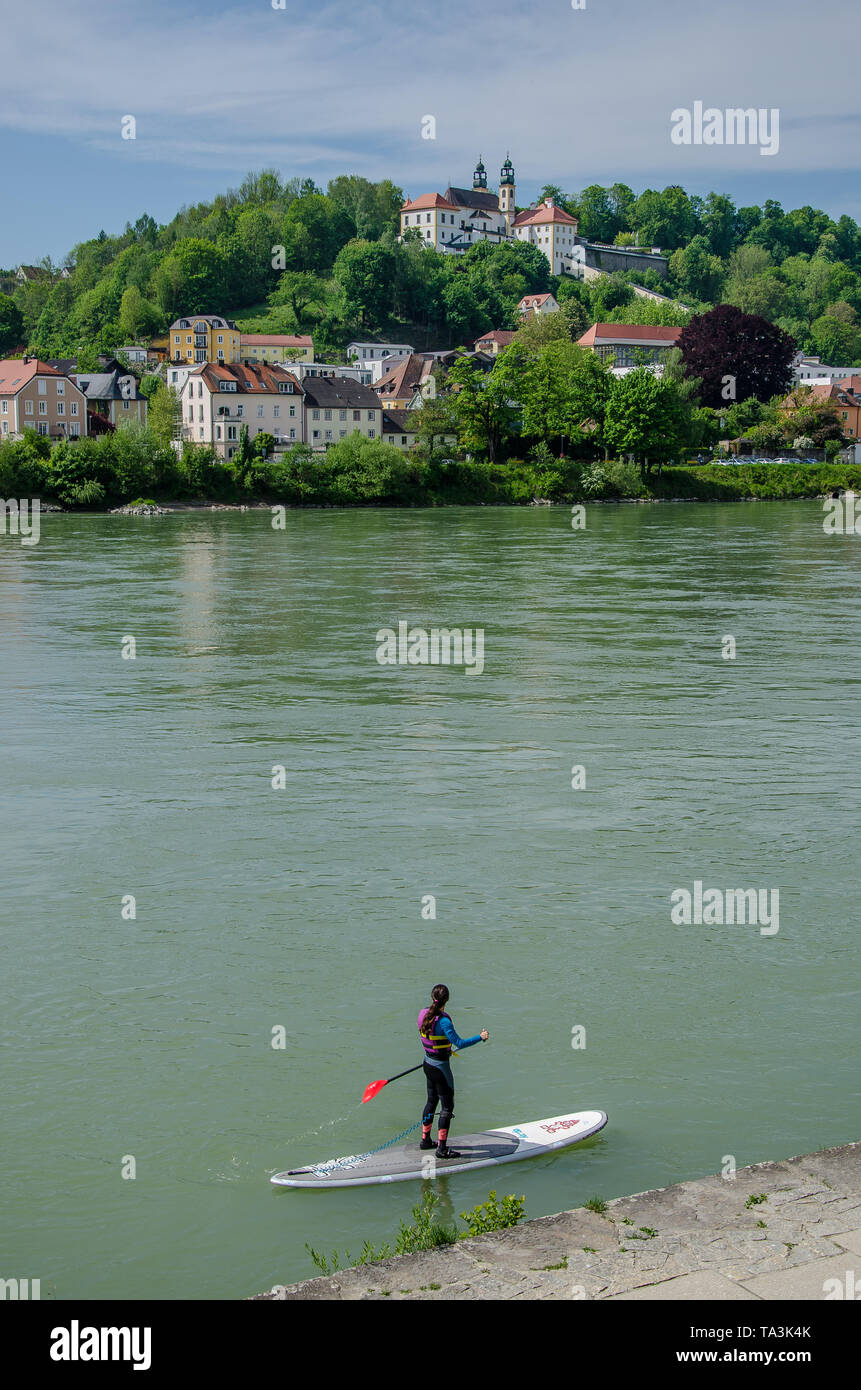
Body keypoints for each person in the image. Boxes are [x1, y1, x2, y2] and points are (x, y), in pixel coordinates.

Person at [418, 984, 488, 1159]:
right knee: (447, 1107)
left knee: (431, 1101)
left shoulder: (422, 1014)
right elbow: (460, 1043)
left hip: (427, 1063)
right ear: (447, 1000)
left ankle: (425, 1140)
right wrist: (480, 1037)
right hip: (440, 1068)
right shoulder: (444, 1021)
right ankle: (441, 1149)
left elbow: (434, 1038)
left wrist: (442, 1048)